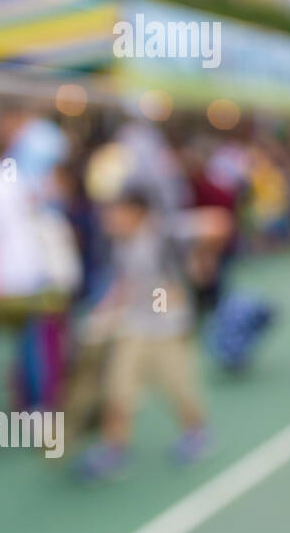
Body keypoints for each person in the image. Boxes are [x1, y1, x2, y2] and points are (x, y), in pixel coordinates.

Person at [75, 186, 219, 481]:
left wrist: (202, 262)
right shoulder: (118, 243)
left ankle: (198, 433)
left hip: (169, 329)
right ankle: (114, 449)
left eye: (117, 211)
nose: (110, 218)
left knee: (177, 386)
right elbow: (125, 283)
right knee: (118, 387)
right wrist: (103, 314)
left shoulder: (166, 232)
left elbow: (218, 223)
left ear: (137, 212)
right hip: (134, 327)